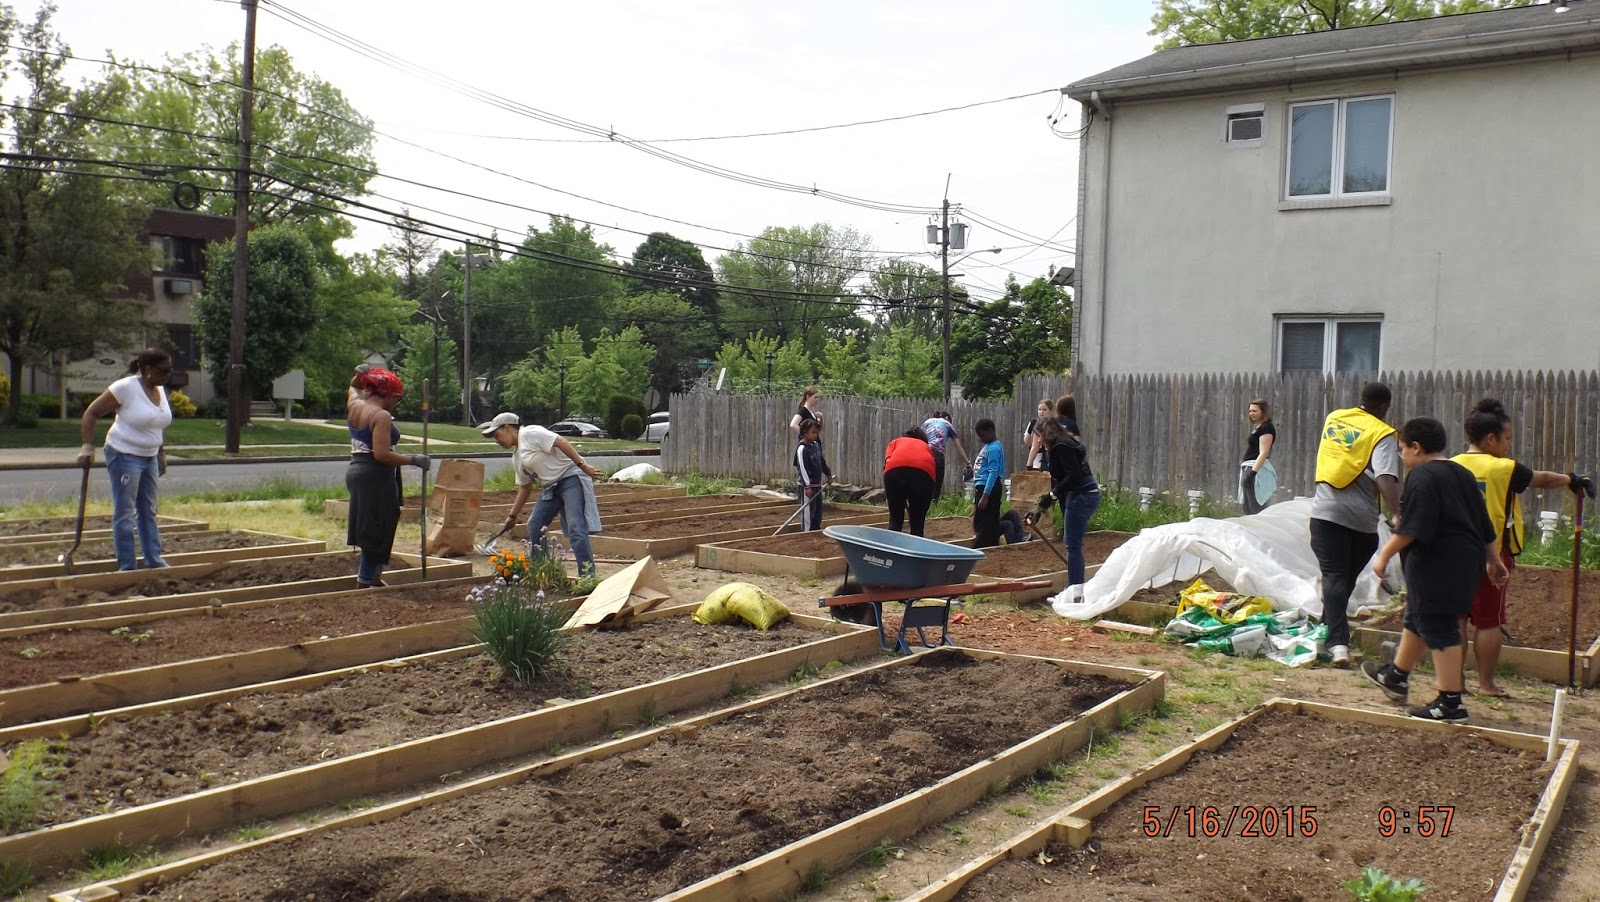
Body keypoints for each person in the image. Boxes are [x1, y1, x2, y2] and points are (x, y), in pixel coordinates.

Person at [1362, 417, 1506, 723]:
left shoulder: (1423, 476)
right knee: (1418, 615)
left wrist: (1383, 556)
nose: (1401, 456)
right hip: (1466, 562)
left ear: (1416, 447)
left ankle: (1450, 704)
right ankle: (1396, 676)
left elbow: (1413, 528)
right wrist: (1493, 559)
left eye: (1402, 449)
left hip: (1437, 562)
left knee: (1439, 625)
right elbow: (1482, 522)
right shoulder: (1461, 473)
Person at [1452, 398, 1594, 698]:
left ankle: (1454, 682)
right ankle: (1486, 684)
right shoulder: (1503, 467)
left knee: (1458, 619)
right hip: (1493, 554)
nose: (1509, 445)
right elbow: (1539, 479)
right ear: (1491, 439)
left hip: (1453, 553)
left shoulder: (1450, 465)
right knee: (1488, 621)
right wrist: (1571, 479)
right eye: (1507, 439)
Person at [1310, 382, 1403, 667]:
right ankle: (1339, 643)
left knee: (1339, 580)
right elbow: (1385, 477)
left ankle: (1327, 634)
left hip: (1324, 514)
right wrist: (1398, 513)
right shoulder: (1382, 433)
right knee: (1339, 579)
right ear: (1384, 406)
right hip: (1360, 520)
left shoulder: (1334, 418)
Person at [78, 348, 176, 571]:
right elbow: (91, 413)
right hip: (124, 454)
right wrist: (87, 447)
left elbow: (156, 423)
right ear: (148, 370)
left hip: (149, 456)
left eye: (171, 370)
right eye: (164, 370)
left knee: (148, 509)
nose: (169, 375)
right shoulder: (125, 388)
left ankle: (154, 560)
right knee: (125, 512)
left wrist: (160, 453)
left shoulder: (159, 389)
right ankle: (127, 567)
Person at [482, 412, 604, 578]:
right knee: (534, 525)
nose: (497, 441)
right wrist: (512, 516)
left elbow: (561, 442)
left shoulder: (530, 433)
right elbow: (525, 488)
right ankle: (541, 572)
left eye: (497, 435)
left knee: (576, 527)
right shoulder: (516, 458)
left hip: (570, 478)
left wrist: (583, 466)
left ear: (508, 428)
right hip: (551, 488)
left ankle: (587, 576)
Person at [344, 366, 431, 588]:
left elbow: (354, 385)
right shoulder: (380, 416)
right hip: (375, 475)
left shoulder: (355, 404)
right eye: (396, 398)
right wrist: (413, 460)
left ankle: (374, 577)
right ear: (386, 394)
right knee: (376, 528)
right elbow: (381, 454)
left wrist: (361, 373)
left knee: (374, 522)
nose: (396, 403)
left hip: (357, 470)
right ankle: (364, 581)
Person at [1032, 416, 1102, 586]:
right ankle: (1076, 587)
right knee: (1072, 544)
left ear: (1046, 433)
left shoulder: (1061, 447)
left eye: (1039, 435)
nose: (1039, 440)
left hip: (1082, 495)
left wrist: (1052, 495)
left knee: (1072, 546)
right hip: (1084, 494)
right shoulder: (1064, 443)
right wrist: (1040, 508)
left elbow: (1074, 476)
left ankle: (1075, 590)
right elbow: (1060, 482)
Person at [883, 427, 936, 536]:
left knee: (895, 518)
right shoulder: (926, 447)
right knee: (917, 521)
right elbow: (931, 469)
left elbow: (888, 462)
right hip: (923, 472)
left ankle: (891, 548)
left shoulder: (896, 442)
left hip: (894, 470)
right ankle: (915, 545)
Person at [970, 419, 1006, 548]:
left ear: (990, 431)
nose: (981, 439)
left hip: (989, 488)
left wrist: (985, 495)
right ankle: (991, 544)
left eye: (982, 435)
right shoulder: (989, 447)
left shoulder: (994, 449)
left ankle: (981, 547)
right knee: (987, 519)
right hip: (983, 486)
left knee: (983, 521)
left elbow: (993, 472)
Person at [1240, 398, 1278, 515]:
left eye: (1255, 411)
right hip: (1249, 467)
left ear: (1263, 411)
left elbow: (1264, 452)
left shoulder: (1266, 428)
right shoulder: (1258, 427)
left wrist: (1252, 474)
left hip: (1257, 470)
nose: (1251, 414)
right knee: (1247, 509)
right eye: (1250, 411)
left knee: (1255, 508)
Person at [922, 410, 970, 500]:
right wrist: (968, 462)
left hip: (924, 453)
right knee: (937, 484)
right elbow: (958, 446)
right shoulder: (948, 424)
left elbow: (920, 438)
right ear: (947, 418)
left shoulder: (927, 422)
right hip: (937, 454)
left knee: (924, 481)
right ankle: (934, 506)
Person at [795, 418, 832, 531]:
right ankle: (806, 532)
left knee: (817, 510)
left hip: (817, 485)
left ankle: (816, 529)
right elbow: (803, 468)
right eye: (813, 432)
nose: (815, 435)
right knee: (808, 511)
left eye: (817, 432)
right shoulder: (802, 449)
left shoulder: (816, 445)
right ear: (804, 433)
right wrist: (807, 486)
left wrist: (828, 474)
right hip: (807, 486)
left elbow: (822, 461)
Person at [1024, 397, 1054, 470]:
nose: (1041, 412)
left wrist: (1028, 465)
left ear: (1050, 411)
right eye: (1039, 409)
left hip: (1047, 459)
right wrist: (1030, 430)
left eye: (1044, 409)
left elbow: (1035, 447)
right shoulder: (1033, 423)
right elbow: (1027, 441)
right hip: (1036, 460)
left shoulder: (1052, 424)